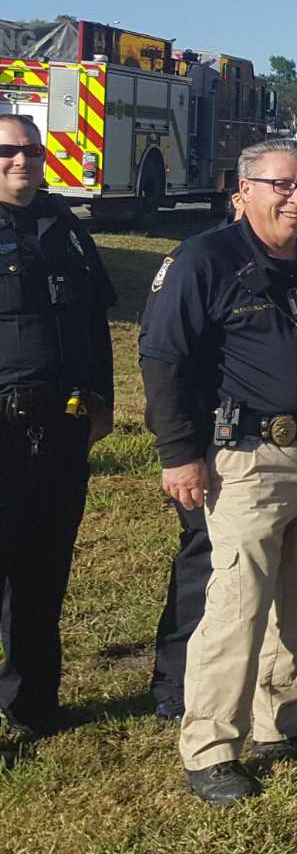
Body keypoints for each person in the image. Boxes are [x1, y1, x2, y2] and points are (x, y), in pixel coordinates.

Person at [140, 140, 297, 804]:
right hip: (245, 460)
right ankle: (212, 746)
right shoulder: (204, 261)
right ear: (241, 191)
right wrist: (179, 454)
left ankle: (283, 715)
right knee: (238, 605)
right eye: (281, 187)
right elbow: (161, 359)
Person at [0, 115, 115, 737]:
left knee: (44, 571)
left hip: (61, 427)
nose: (22, 160)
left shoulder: (65, 227)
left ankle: (34, 704)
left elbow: (96, 321)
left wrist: (104, 401)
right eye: (6, 151)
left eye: (31, 149)